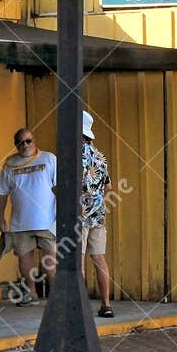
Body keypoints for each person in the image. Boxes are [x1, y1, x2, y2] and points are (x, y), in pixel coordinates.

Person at [0, 127, 57, 305]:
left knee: (50, 260)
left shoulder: (49, 158)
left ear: (34, 141)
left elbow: (60, 186)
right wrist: (1, 218)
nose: (24, 145)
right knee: (24, 258)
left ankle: (56, 295)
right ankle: (31, 293)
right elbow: (2, 193)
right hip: (20, 222)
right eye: (20, 142)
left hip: (47, 220)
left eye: (28, 140)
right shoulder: (9, 164)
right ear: (15, 145)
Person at [78, 110, 116, 318]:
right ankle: (106, 304)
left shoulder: (73, 153)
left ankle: (81, 307)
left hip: (78, 213)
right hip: (98, 214)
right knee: (99, 258)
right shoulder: (100, 156)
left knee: (79, 259)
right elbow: (109, 187)